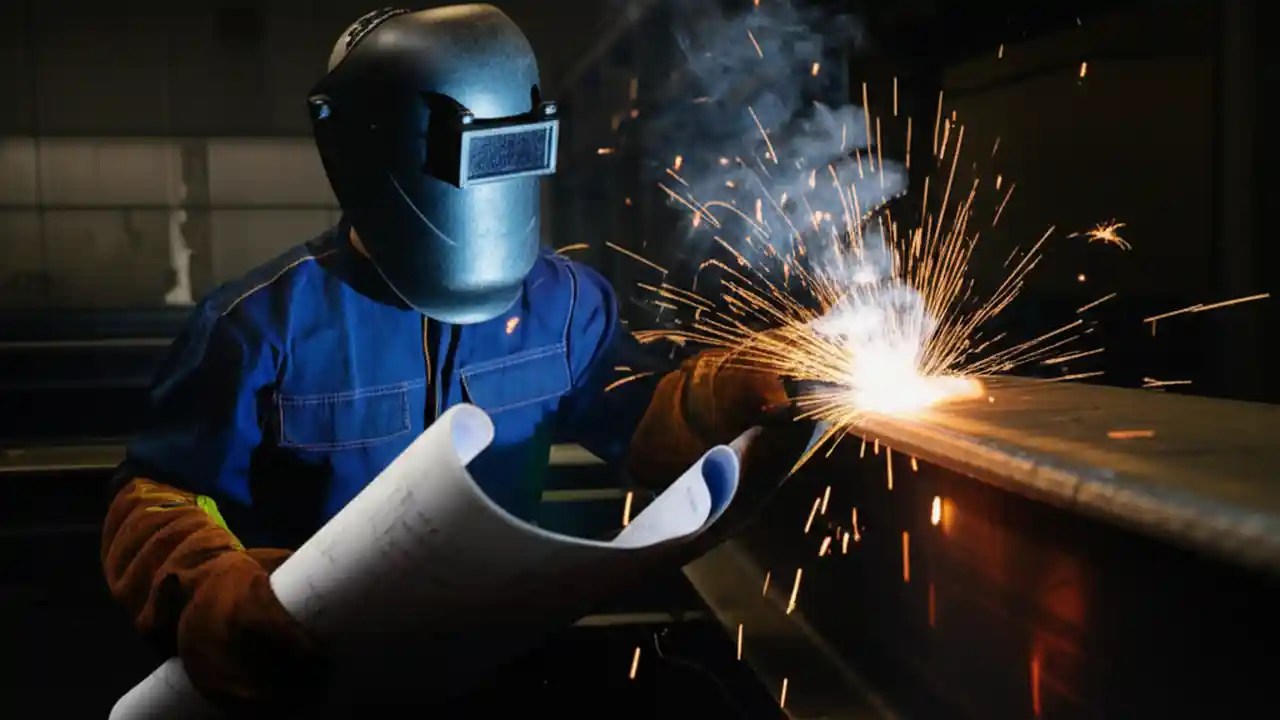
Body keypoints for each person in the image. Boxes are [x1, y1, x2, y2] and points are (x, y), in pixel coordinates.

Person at [101, 4, 792, 716]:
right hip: (311, 684)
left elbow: (643, 425)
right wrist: (211, 584)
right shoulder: (257, 328)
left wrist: (708, 402)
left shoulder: (567, 306)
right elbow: (157, 496)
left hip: (498, 669)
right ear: (370, 153)